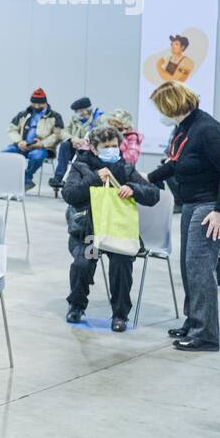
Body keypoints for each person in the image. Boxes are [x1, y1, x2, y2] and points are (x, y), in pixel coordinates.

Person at [145, 82, 220, 352]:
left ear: (171, 105)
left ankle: (205, 335)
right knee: (189, 267)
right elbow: (175, 163)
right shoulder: (185, 127)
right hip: (193, 203)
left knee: (200, 267)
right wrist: (149, 178)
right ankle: (194, 320)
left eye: (160, 107)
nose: (159, 113)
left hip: (211, 206)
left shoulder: (207, 130)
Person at [61, 125, 161, 332]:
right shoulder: (81, 167)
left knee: (122, 264)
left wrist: (133, 189)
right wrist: (95, 178)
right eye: (106, 146)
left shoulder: (125, 168)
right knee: (82, 263)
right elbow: (69, 194)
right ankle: (76, 306)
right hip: (87, 233)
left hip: (118, 232)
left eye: (114, 146)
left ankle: (120, 314)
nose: (112, 150)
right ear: (95, 149)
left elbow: (153, 194)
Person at [4, 88, 64, 189]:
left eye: (40, 104)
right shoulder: (23, 114)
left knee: (36, 156)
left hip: (42, 147)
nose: (37, 106)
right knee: (4, 154)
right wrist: (19, 141)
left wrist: (42, 143)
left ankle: (26, 177)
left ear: (45, 102)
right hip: (22, 145)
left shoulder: (55, 116)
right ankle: (12, 180)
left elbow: (58, 135)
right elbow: (11, 129)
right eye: (34, 103)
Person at [49, 97, 103, 188]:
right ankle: (59, 176)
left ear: (88, 109)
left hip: (90, 150)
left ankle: (75, 181)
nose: (79, 113)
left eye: (80, 110)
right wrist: (73, 139)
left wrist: (85, 143)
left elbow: (100, 137)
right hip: (75, 147)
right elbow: (63, 132)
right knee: (65, 145)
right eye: (77, 111)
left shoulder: (98, 120)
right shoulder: (74, 119)